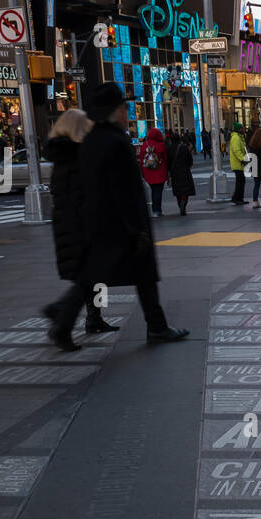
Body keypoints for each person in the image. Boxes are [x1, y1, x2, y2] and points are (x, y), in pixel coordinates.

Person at [78, 83, 188, 344]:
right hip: (124, 224)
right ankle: (156, 326)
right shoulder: (117, 140)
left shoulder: (91, 140)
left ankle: (93, 317)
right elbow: (126, 189)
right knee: (144, 275)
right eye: (124, 108)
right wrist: (137, 227)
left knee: (97, 276)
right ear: (116, 110)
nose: (126, 113)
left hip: (99, 222)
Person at [41, 108, 119, 352]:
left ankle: (92, 317)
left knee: (94, 277)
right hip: (81, 227)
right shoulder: (77, 156)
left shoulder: (63, 156)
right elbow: (86, 196)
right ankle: (62, 320)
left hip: (68, 226)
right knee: (90, 278)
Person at [139, 125, 168, 216]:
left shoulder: (144, 145)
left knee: (153, 190)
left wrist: (143, 171)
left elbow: (141, 159)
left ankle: (155, 209)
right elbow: (165, 158)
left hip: (148, 171)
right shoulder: (161, 145)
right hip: (159, 171)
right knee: (158, 191)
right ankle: (157, 210)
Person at [169, 135, 196, 216]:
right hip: (185, 171)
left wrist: (169, 171)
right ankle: (183, 202)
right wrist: (188, 166)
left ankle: (180, 203)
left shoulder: (169, 149)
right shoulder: (184, 148)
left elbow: (167, 162)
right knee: (185, 190)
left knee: (177, 191)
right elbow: (190, 160)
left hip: (174, 172)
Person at [229, 122, 248, 205]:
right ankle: (237, 198)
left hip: (239, 164)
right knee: (240, 182)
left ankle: (237, 198)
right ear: (238, 129)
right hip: (238, 164)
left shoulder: (239, 137)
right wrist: (243, 159)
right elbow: (236, 151)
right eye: (241, 128)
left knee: (240, 182)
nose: (243, 129)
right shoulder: (236, 138)